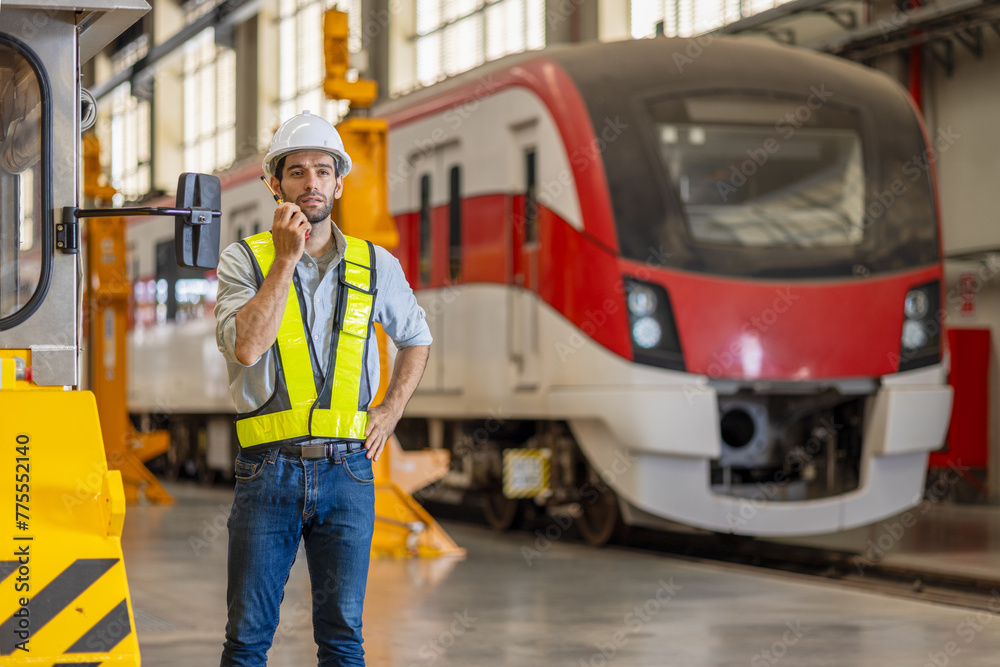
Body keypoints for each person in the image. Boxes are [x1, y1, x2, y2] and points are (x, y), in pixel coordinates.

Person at [214, 111, 431, 665]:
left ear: (339, 182)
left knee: (342, 638)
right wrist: (286, 258)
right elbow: (247, 347)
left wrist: (390, 409)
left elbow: (417, 338)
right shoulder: (245, 260)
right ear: (275, 184)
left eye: (321, 171)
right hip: (268, 470)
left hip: (351, 471)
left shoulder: (375, 264)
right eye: (296, 172)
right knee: (247, 638)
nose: (310, 183)